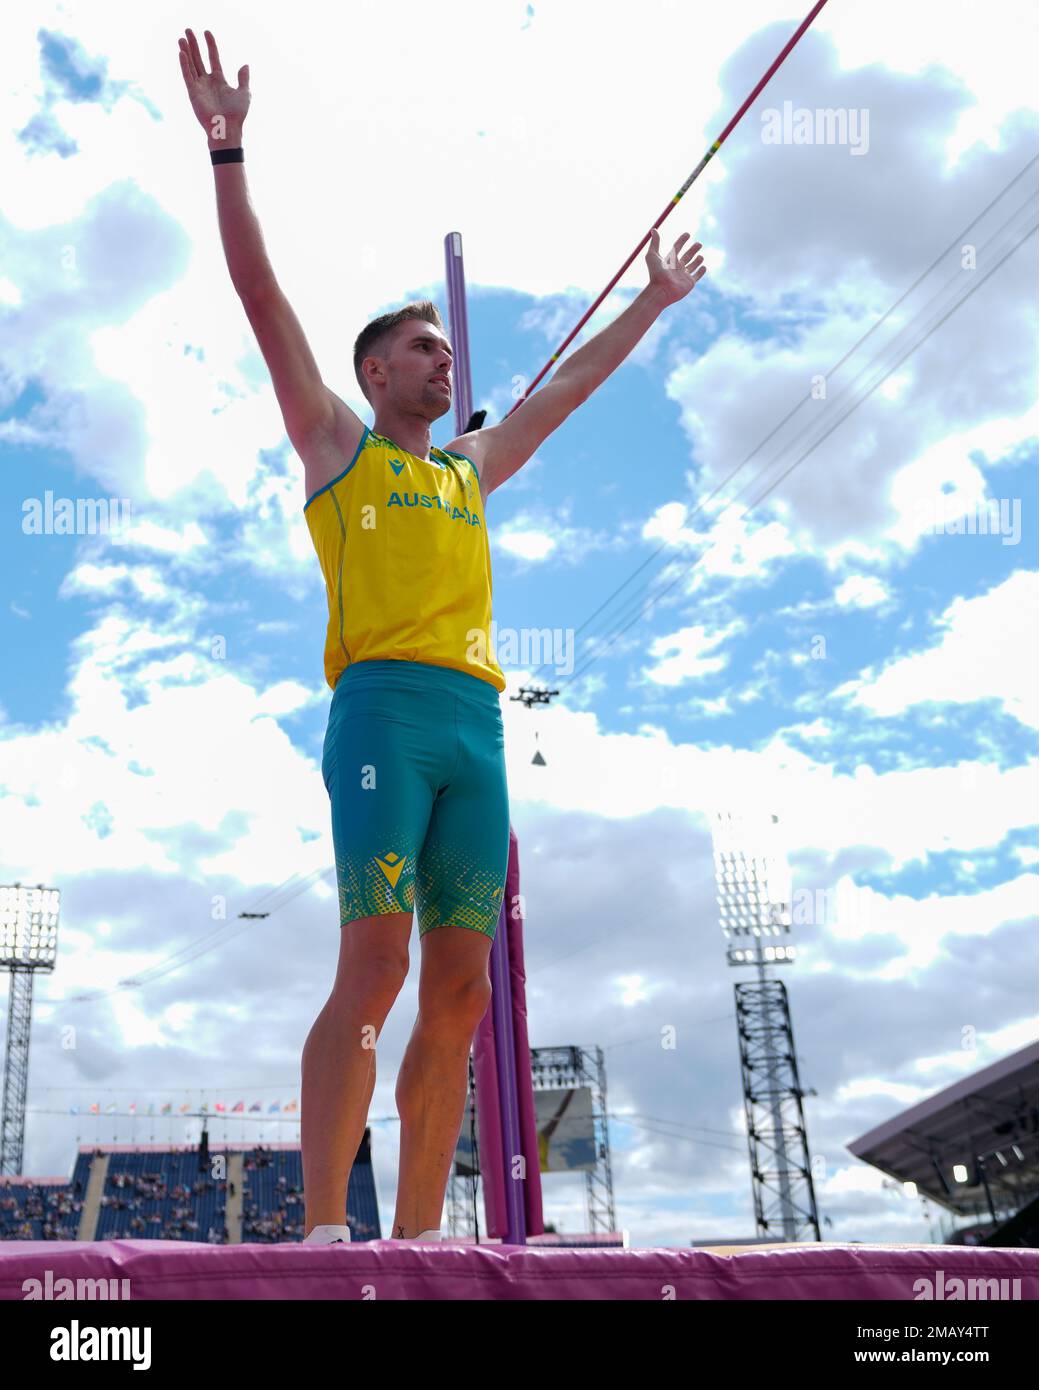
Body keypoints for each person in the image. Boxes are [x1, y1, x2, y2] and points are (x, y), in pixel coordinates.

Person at [178, 26, 707, 1245]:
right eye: (422, 347)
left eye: (444, 349)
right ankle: (322, 1230)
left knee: (461, 992)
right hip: (382, 718)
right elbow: (260, 297)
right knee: (377, 971)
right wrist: (228, 154)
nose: (442, 358)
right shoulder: (336, 447)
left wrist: (653, 302)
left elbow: (566, 393)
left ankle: (416, 1242)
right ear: (372, 372)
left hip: (473, 727)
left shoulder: (470, 469)